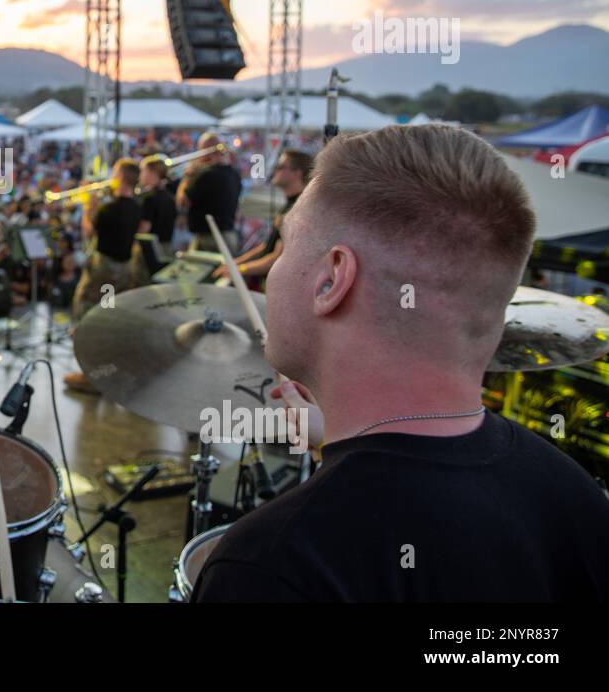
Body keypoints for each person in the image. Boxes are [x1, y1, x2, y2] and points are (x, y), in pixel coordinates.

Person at [193, 125, 609, 602]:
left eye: (285, 247)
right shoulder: (575, 499)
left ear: (331, 280)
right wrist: (338, 441)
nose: (275, 271)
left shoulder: (272, 566)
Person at [64, 159, 148, 394]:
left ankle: (89, 375)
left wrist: (88, 208)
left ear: (120, 176)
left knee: (86, 316)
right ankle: (109, 371)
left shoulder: (108, 208)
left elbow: (89, 231)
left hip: (102, 270)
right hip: (123, 272)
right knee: (109, 317)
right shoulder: (137, 208)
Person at [213, 148, 311, 288]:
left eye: (280, 167)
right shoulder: (291, 204)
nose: (275, 170)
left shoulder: (298, 209)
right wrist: (235, 263)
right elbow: (267, 246)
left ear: (297, 172)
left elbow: (278, 257)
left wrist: (239, 269)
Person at [177, 133, 241, 255]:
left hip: (208, 239)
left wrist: (187, 177)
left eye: (200, 149)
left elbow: (182, 202)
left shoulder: (204, 175)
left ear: (206, 150)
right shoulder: (234, 173)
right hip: (228, 236)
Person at [137, 154, 178, 247]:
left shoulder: (149, 198)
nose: (141, 175)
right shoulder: (169, 196)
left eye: (143, 171)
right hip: (166, 246)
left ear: (152, 173)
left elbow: (144, 228)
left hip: (151, 249)